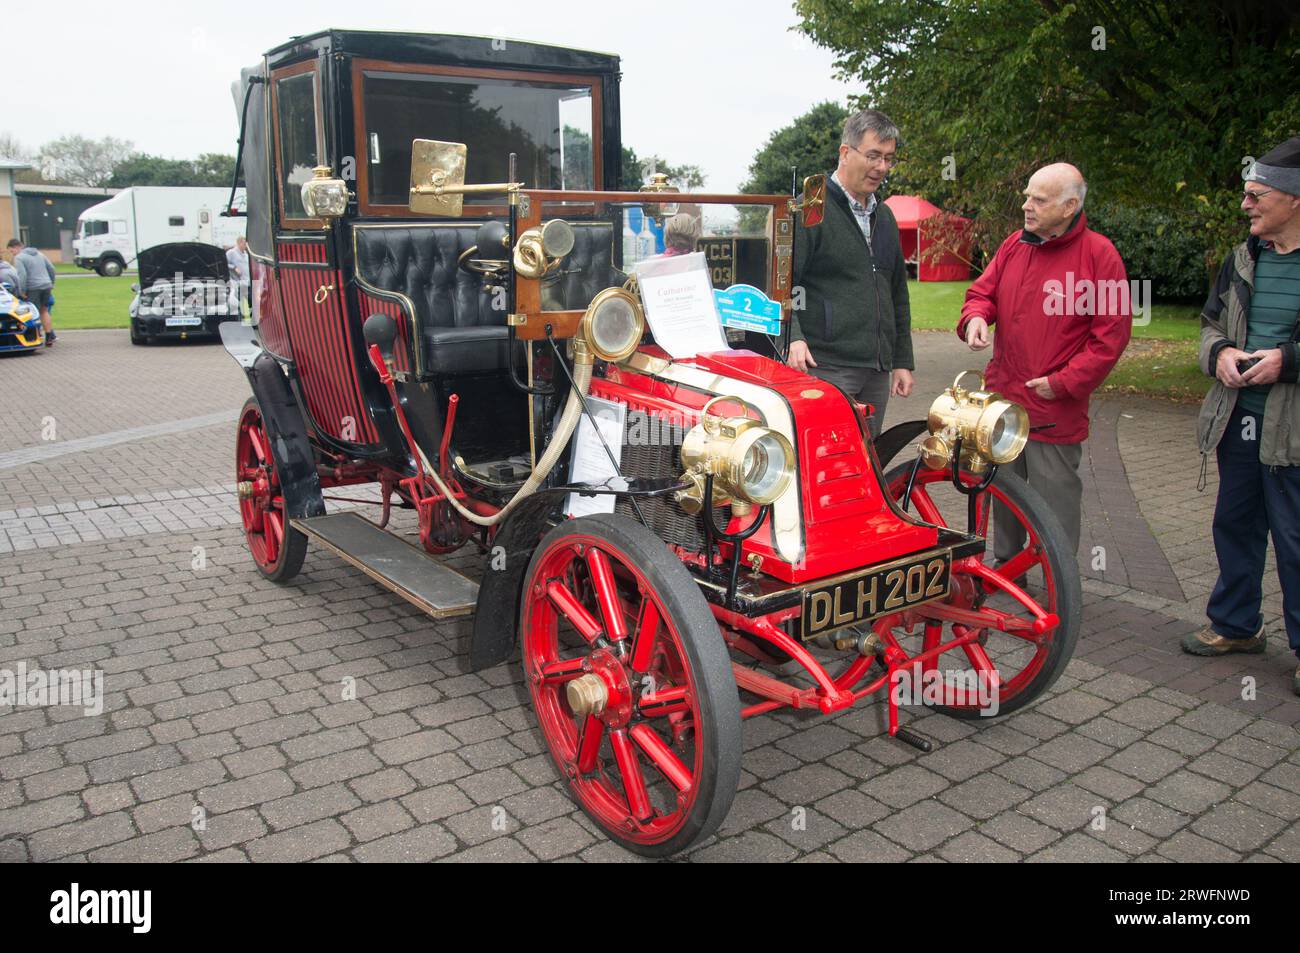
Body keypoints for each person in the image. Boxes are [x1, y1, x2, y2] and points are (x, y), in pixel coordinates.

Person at [957, 163, 1131, 566]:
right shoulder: (1014, 245)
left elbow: (1111, 337)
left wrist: (1063, 383)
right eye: (1027, 196)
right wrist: (977, 317)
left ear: (1069, 206)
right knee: (1003, 489)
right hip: (1004, 402)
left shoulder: (1100, 256)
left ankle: (1057, 584)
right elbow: (982, 293)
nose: (1027, 206)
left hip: (1054, 407)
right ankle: (1007, 570)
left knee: (1055, 502)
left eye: (1039, 199)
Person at [1182, 136, 1300, 695]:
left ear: (1294, 200)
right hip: (1240, 421)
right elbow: (1208, 325)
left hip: (1294, 431)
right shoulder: (1241, 258)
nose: (1246, 206)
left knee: (1295, 538)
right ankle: (1236, 625)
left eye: (1257, 196)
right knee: (1235, 523)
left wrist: (1289, 361)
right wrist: (1222, 353)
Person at [786, 108, 913, 437]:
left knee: (868, 464)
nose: (881, 167)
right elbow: (783, 282)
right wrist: (794, 338)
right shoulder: (811, 208)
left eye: (888, 158)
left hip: (876, 371)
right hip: (826, 366)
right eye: (873, 156)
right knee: (827, 459)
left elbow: (896, 291)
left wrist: (901, 360)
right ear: (845, 152)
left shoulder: (884, 216)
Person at [8, 238, 56, 346]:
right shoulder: (40, 254)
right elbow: (51, 268)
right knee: (44, 311)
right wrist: (51, 283)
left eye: (12, 251)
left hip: (33, 287)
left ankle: (35, 337)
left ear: (16, 247)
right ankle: (49, 336)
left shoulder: (19, 258)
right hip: (46, 285)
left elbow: (22, 275)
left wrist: (22, 291)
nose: (12, 254)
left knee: (33, 313)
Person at [226, 235, 250, 314]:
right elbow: (224, 264)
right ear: (239, 243)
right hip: (238, 282)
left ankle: (248, 318)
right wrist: (234, 267)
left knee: (249, 301)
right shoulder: (231, 252)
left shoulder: (246, 254)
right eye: (244, 244)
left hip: (248, 281)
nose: (245, 245)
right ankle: (246, 319)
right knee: (244, 300)